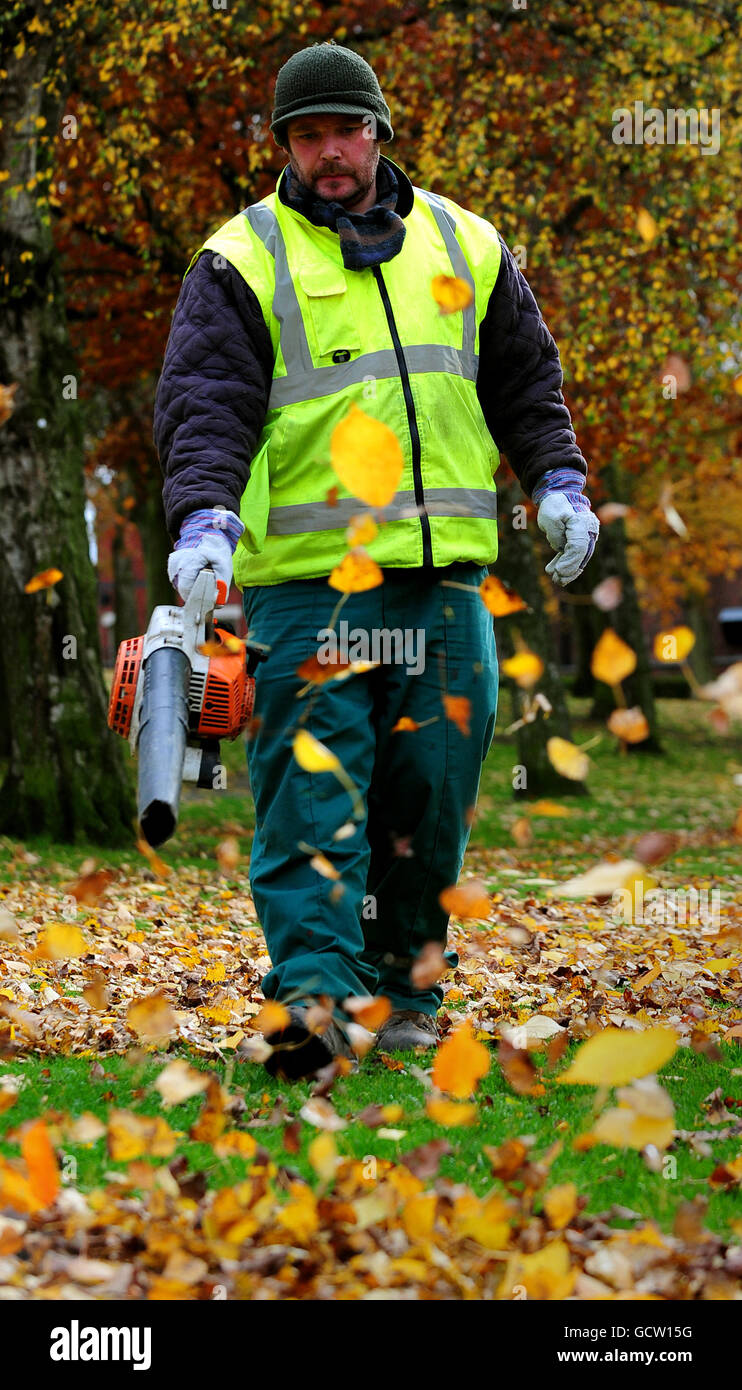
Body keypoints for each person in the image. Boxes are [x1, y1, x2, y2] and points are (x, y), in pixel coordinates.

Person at [153, 41, 599, 1079]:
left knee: (429, 794)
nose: (328, 154)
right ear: (283, 147)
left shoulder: (466, 244)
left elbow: (525, 383)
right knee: (314, 799)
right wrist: (205, 519)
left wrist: (560, 482)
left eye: (343, 131)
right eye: (305, 137)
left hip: (445, 586)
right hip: (313, 589)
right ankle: (311, 1005)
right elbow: (204, 405)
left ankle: (401, 996)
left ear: (378, 131)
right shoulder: (243, 257)